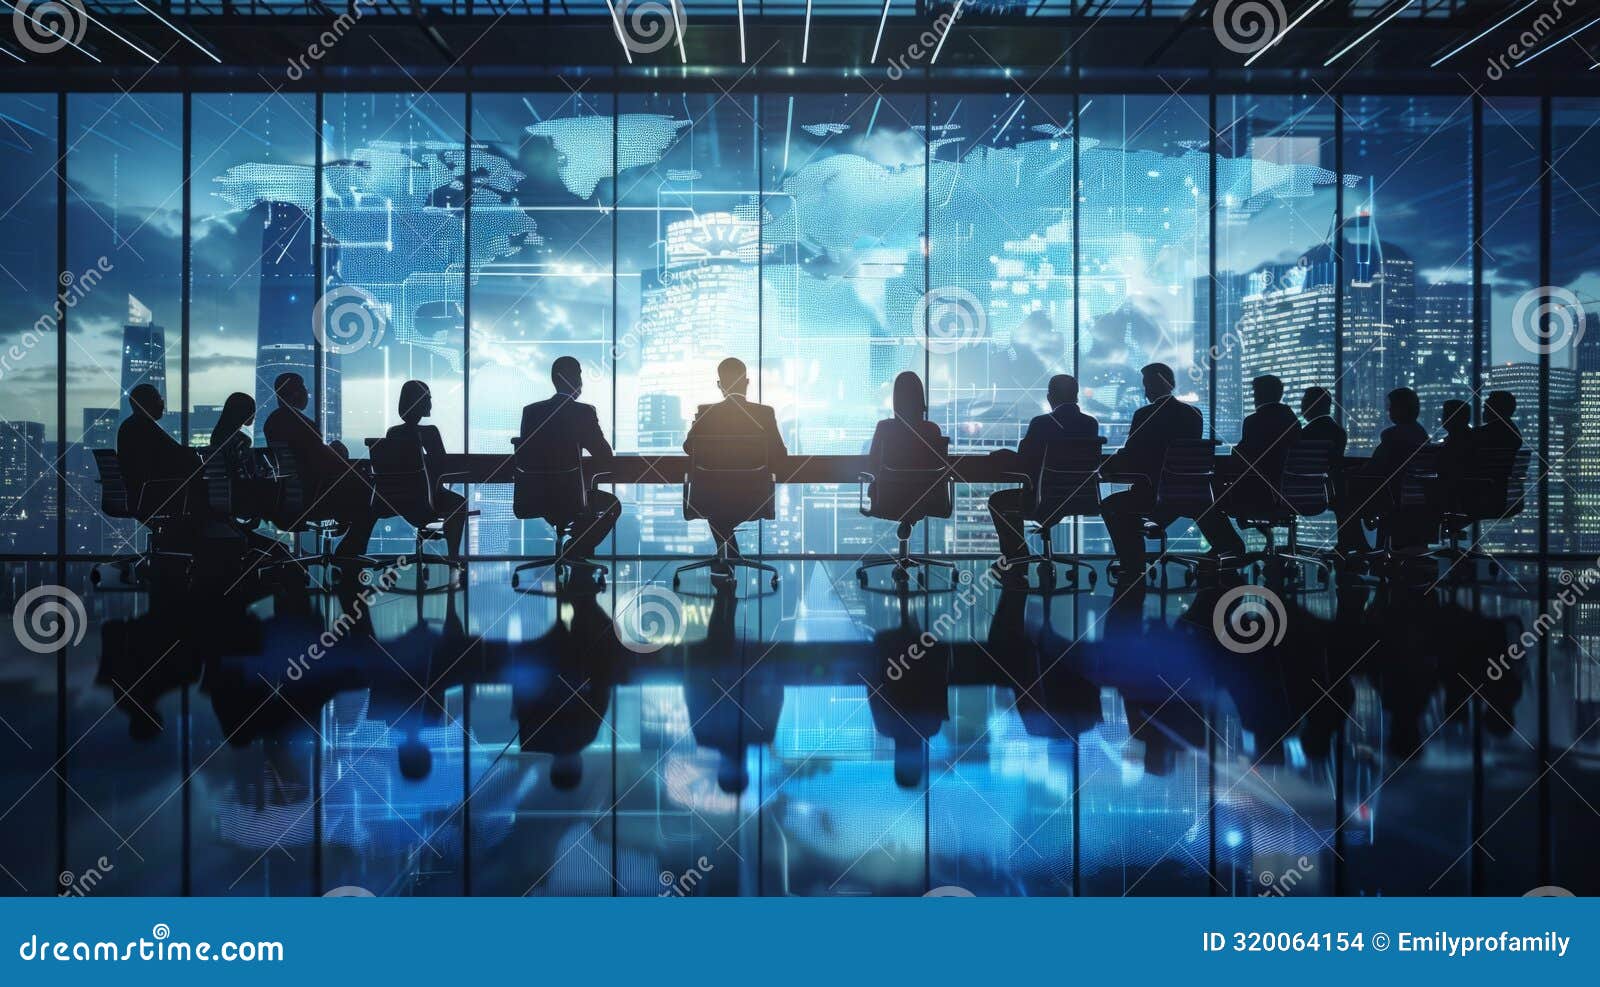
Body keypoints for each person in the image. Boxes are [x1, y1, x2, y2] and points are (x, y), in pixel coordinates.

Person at [1101, 363, 1244, 584]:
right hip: (1192, 494)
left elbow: (1132, 455)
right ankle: (1229, 547)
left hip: (1156, 497)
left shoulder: (1145, 414)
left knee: (1111, 503)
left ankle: (1133, 565)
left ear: (1155, 384)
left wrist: (1106, 467)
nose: (1145, 390)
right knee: (1201, 503)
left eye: (1147, 384)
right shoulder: (1193, 414)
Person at [986, 373, 1099, 583]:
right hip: (1078, 499)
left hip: (1043, 499)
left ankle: (1016, 560)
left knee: (998, 501)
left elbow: (1024, 462)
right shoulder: (1090, 424)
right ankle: (1017, 560)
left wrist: (1004, 455)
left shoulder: (1041, 423)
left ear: (1050, 397)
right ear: (1076, 396)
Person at [683, 357, 787, 573]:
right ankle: (729, 558)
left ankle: (727, 559)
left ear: (720, 385)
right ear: (747, 382)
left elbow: (688, 447)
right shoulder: (764, 413)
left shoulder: (706, 412)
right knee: (724, 510)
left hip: (709, 497)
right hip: (754, 498)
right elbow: (780, 454)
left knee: (718, 509)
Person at [262, 372, 376, 559]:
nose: (307, 393)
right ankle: (348, 557)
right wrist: (339, 451)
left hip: (290, 498)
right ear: (295, 394)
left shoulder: (271, 423)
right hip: (314, 496)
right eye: (304, 388)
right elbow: (329, 464)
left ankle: (347, 552)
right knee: (369, 496)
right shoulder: (300, 423)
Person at [519, 356, 620, 563]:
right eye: (579, 374)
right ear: (569, 378)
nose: (581, 379)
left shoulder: (531, 412)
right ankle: (576, 548)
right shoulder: (583, 412)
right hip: (570, 498)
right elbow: (604, 455)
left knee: (584, 504)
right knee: (612, 506)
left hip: (535, 496)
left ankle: (576, 552)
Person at [384, 380, 469, 558]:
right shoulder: (429, 432)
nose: (430, 402)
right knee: (459, 504)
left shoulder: (392, 433)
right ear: (420, 402)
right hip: (428, 500)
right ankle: (453, 558)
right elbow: (442, 467)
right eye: (428, 398)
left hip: (398, 500)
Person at [1355, 387, 1431, 551]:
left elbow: (1375, 468)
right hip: (1416, 496)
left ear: (1401, 409)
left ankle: (1356, 546)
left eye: (1391, 407)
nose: (1389, 411)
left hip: (1392, 495)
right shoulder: (1422, 435)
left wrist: (1355, 473)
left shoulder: (1392, 435)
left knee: (1346, 491)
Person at [116, 384, 202, 522]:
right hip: (154, 494)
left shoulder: (131, 425)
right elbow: (178, 453)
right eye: (159, 399)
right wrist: (201, 454)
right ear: (147, 402)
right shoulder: (143, 427)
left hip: (141, 495)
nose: (162, 404)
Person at [1298, 386, 1362, 553]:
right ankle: (1352, 543)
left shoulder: (1303, 434)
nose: (1302, 407)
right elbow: (1335, 465)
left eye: (1305, 402)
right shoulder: (1338, 432)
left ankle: (1351, 543)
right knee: (1345, 492)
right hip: (1326, 491)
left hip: (1299, 491)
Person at [1232, 374, 1302, 496]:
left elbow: (1245, 454)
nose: (1253, 397)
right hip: (1290, 488)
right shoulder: (1293, 421)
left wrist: (1234, 450)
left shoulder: (1253, 421)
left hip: (1260, 489)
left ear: (1259, 395)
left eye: (1254, 393)